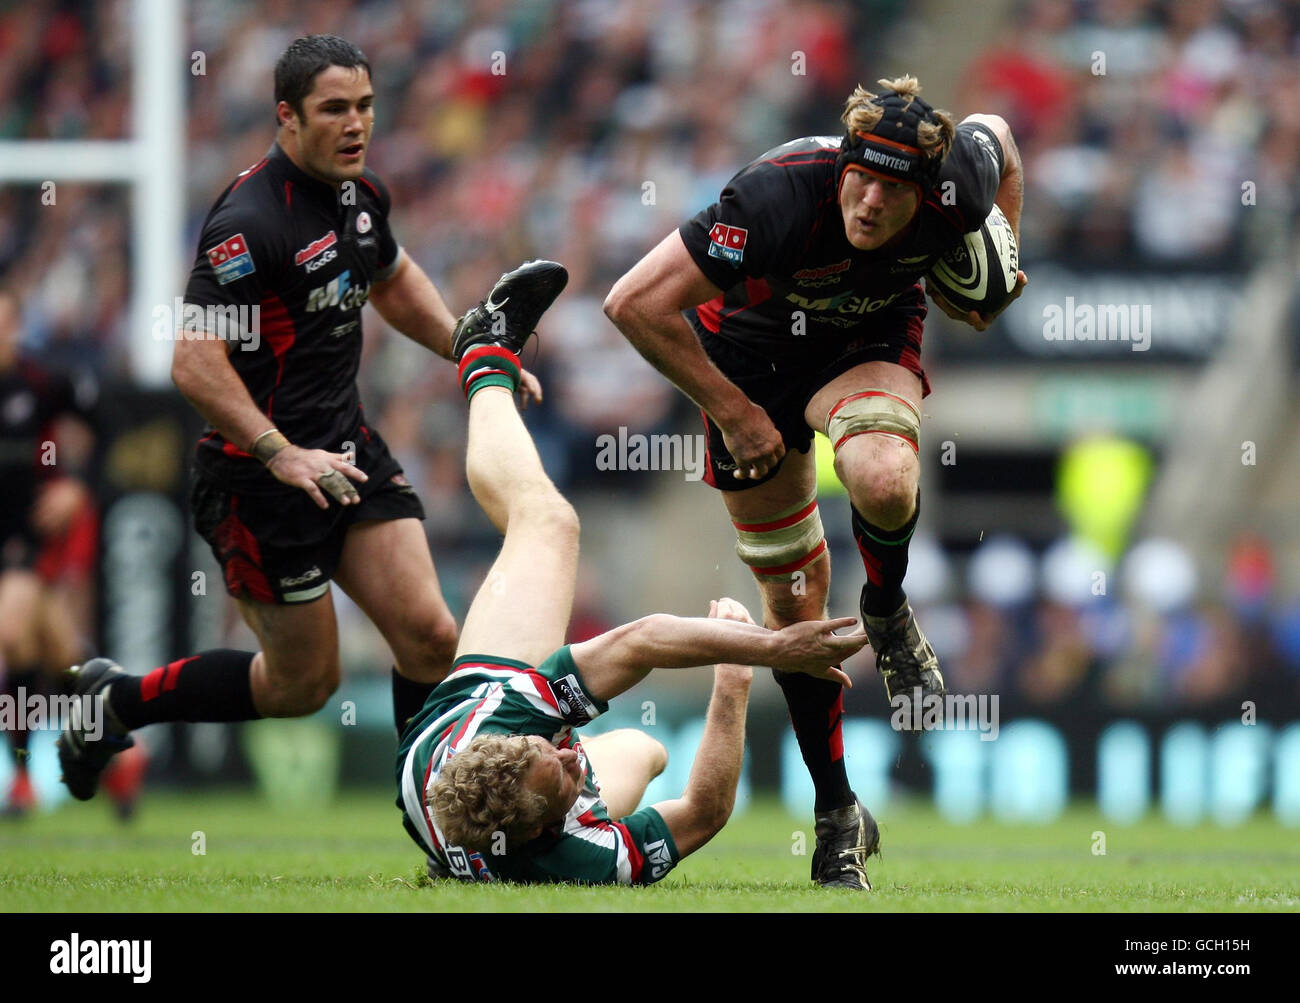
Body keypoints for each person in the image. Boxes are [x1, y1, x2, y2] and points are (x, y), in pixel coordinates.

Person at [56, 35, 542, 801]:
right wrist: (279, 450)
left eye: (366, 107)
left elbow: (392, 275)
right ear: (287, 116)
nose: (356, 125)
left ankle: (429, 813)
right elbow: (193, 360)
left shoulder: (362, 195)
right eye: (334, 110)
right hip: (259, 481)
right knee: (302, 684)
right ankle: (114, 701)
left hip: (348, 451)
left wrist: (466, 347)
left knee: (431, 634)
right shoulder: (249, 223)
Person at [603, 75, 1026, 888]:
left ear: (927, 188)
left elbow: (1000, 133)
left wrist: (1006, 256)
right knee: (795, 609)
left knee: (883, 474)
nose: (867, 202)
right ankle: (837, 814)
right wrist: (732, 413)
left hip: (865, 341)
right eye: (858, 179)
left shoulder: (960, 180)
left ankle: (888, 607)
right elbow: (631, 304)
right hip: (745, 363)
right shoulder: (774, 198)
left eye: (890, 189)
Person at [397, 262, 869, 885]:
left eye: (551, 751)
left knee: (548, 522)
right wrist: (732, 684)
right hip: (495, 812)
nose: (571, 753)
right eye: (566, 775)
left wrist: (770, 648)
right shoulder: (577, 860)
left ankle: (483, 353)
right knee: (648, 750)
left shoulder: (504, 728)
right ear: (546, 832)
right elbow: (703, 811)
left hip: (457, 719)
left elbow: (638, 641)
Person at [0, 286, 143, 815]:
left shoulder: (41, 385)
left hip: (33, 532)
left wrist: (78, 484)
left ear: (16, 327)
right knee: (57, 655)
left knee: (12, 633)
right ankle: (123, 752)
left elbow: (107, 425)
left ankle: (20, 780)